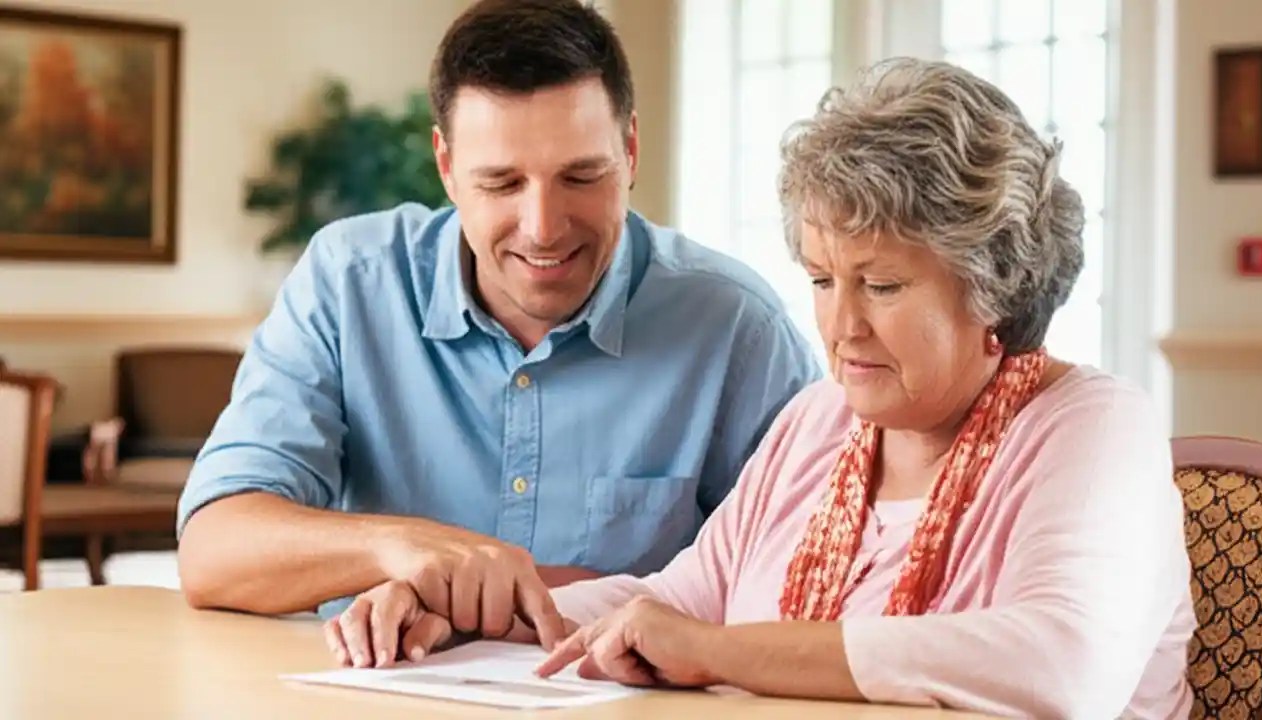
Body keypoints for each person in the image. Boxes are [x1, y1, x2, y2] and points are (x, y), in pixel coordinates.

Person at [327, 58, 1196, 717]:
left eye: (882, 286)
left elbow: (1063, 666)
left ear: (996, 282)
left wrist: (722, 654)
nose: (841, 325)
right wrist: (464, 620)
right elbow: (668, 602)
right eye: (822, 280)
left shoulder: (1089, 425)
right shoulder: (822, 422)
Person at [176, 0, 821, 657]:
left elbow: (810, 586)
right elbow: (214, 550)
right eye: (502, 182)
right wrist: (404, 549)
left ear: (629, 151)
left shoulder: (737, 326)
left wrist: (457, 598)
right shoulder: (349, 283)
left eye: (581, 175)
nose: (543, 227)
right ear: (447, 167)